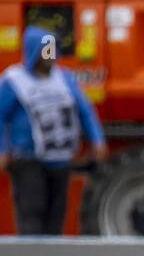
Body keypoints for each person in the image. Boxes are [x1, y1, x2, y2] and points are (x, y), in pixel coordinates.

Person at [0, 25, 107, 235]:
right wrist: (3, 149)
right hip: (29, 159)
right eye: (45, 50)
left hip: (60, 159)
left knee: (56, 215)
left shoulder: (64, 78)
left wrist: (97, 139)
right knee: (33, 211)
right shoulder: (14, 81)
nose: (51, 56)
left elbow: (84, 110)